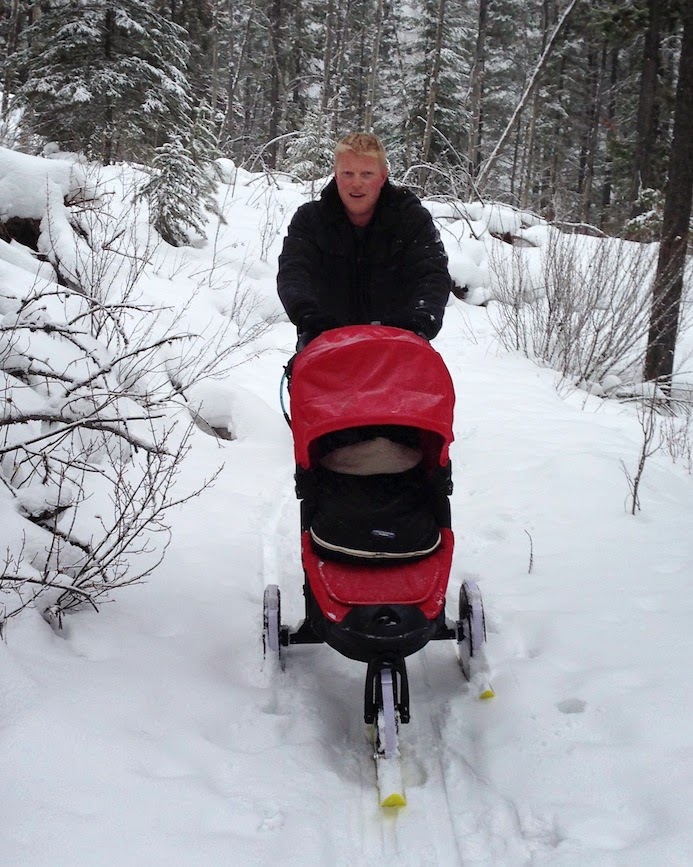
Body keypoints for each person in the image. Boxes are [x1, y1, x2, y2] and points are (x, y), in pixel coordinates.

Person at [277, 132, 451, 350]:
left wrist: (419, 322)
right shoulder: (310, 220)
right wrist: (308, 316)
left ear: (382, 176)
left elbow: (432, 274)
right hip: (327, 346)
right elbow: (293, 272)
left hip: (397, 348)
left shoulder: (411, 219)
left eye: (366, 174)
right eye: (348, 173)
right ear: (336, 175)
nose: (356, 183)